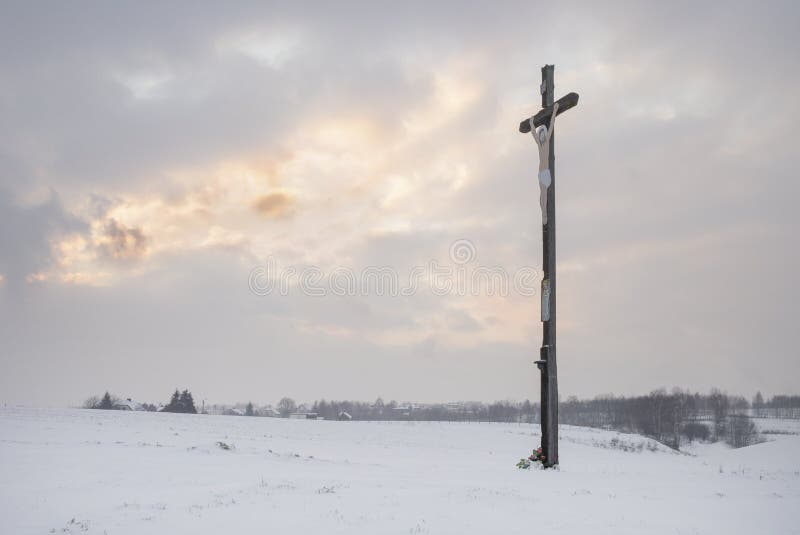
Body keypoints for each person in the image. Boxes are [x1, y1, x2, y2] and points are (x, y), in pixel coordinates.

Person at [530, 101, 559, 225]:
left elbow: (551, 125)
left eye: (543, 134)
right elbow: (533, 134)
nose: (541, 136)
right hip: (540, 173)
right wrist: (531, 123)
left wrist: (554, 111)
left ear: (545, 135)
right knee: (541, 199)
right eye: (540, 134)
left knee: (544, 196)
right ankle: (543, 212)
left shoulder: (546, 143)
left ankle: (545, 216)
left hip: (545, 173)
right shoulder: (539, 145)